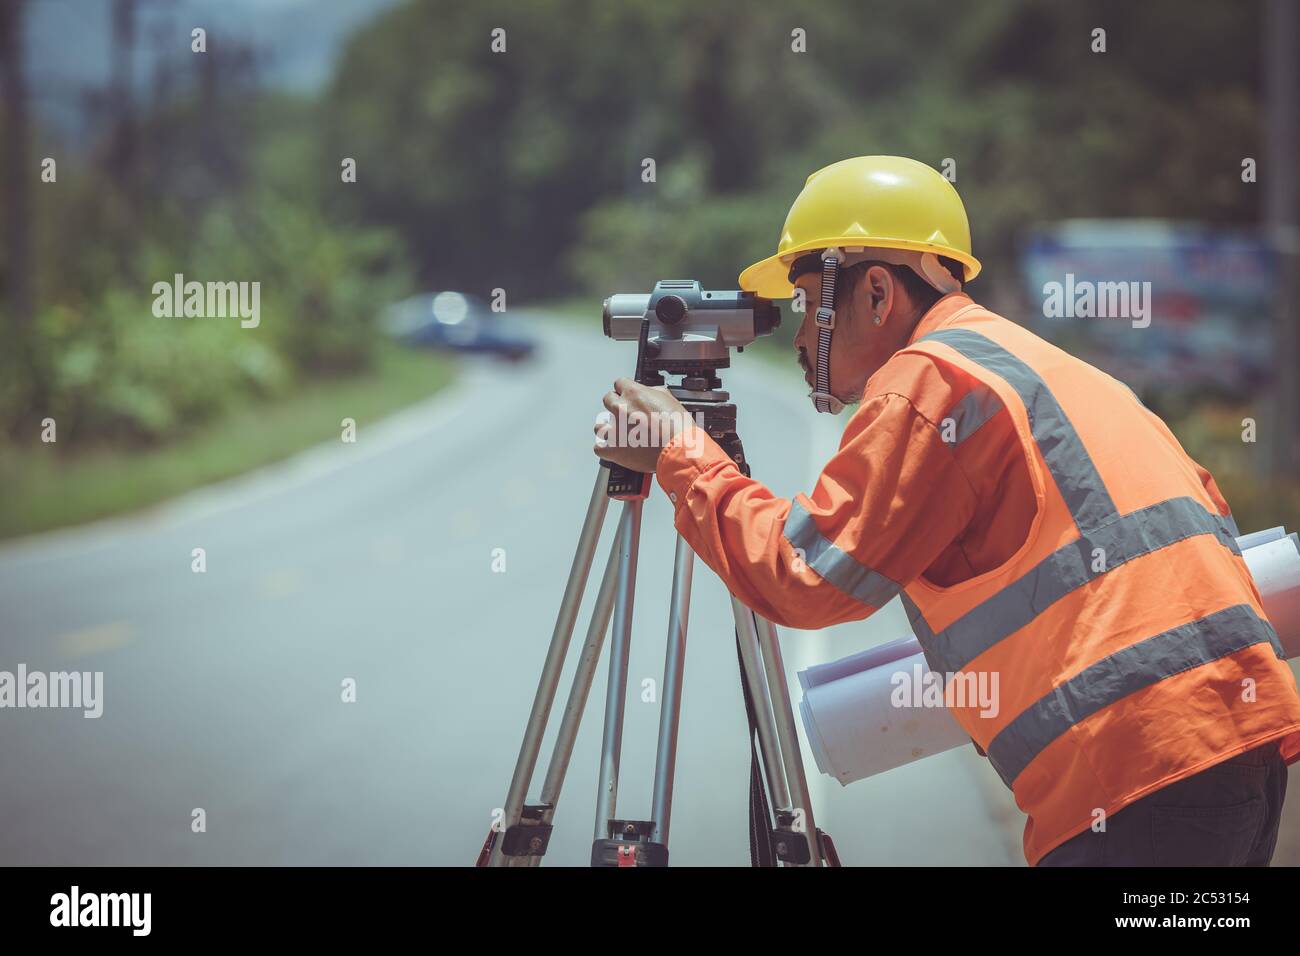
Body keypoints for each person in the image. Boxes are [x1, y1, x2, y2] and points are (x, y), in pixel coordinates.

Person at [592, 155, 1300, 866]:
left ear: (875, 292)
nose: (801, 337)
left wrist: (679, 450)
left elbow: (806, 576)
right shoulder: (1045, 366)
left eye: (810, 303)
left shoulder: (926, 382)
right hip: (1239, 756)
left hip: (1138, 779)